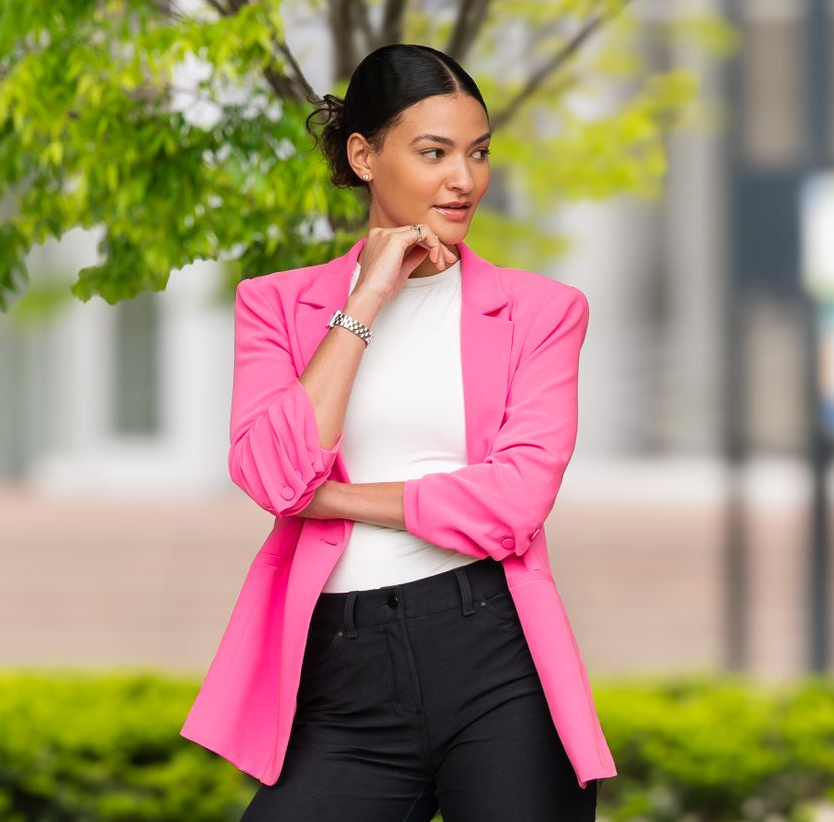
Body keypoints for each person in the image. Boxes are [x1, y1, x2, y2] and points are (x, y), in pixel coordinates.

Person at [179, 43, 617, 822]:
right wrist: (369, 295)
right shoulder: (276, 306)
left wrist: (335, 497)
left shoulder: (543, 312)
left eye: (478, 153)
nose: (465, 179)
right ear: (364, 155)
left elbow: (513, 504)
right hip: (342, 671)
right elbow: (276, 478)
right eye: (434, 152)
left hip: (496, 658)